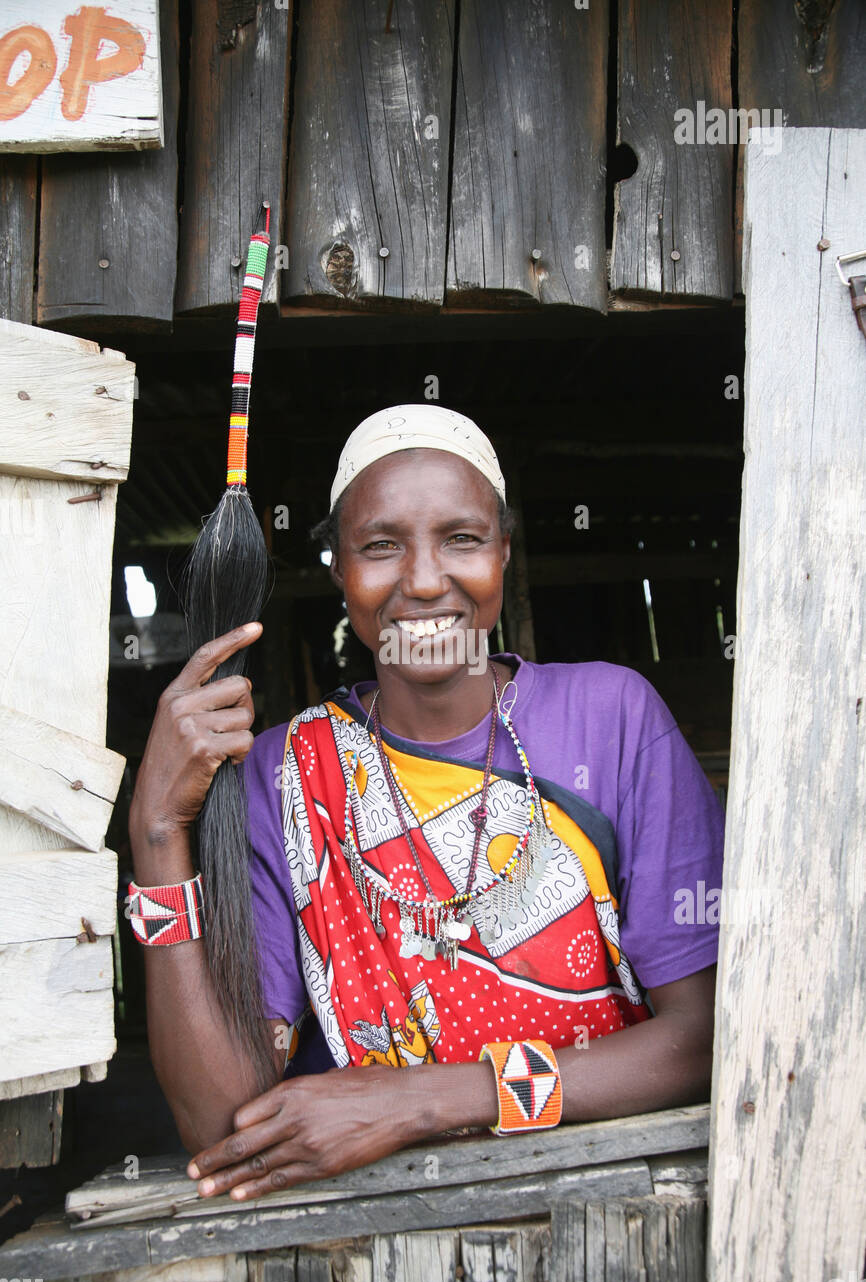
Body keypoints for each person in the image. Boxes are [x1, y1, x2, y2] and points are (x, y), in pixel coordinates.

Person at [128, 404, 723, 1204]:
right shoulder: (285, 778)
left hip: (617, 1212)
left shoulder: (613, 719)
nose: (424, 580)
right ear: (339, 569)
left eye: (462, 538)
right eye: (380, 546)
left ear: (504, 552)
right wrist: (158, 833)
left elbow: (703, 1041)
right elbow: (222, 1129)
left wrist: (427, 1100)